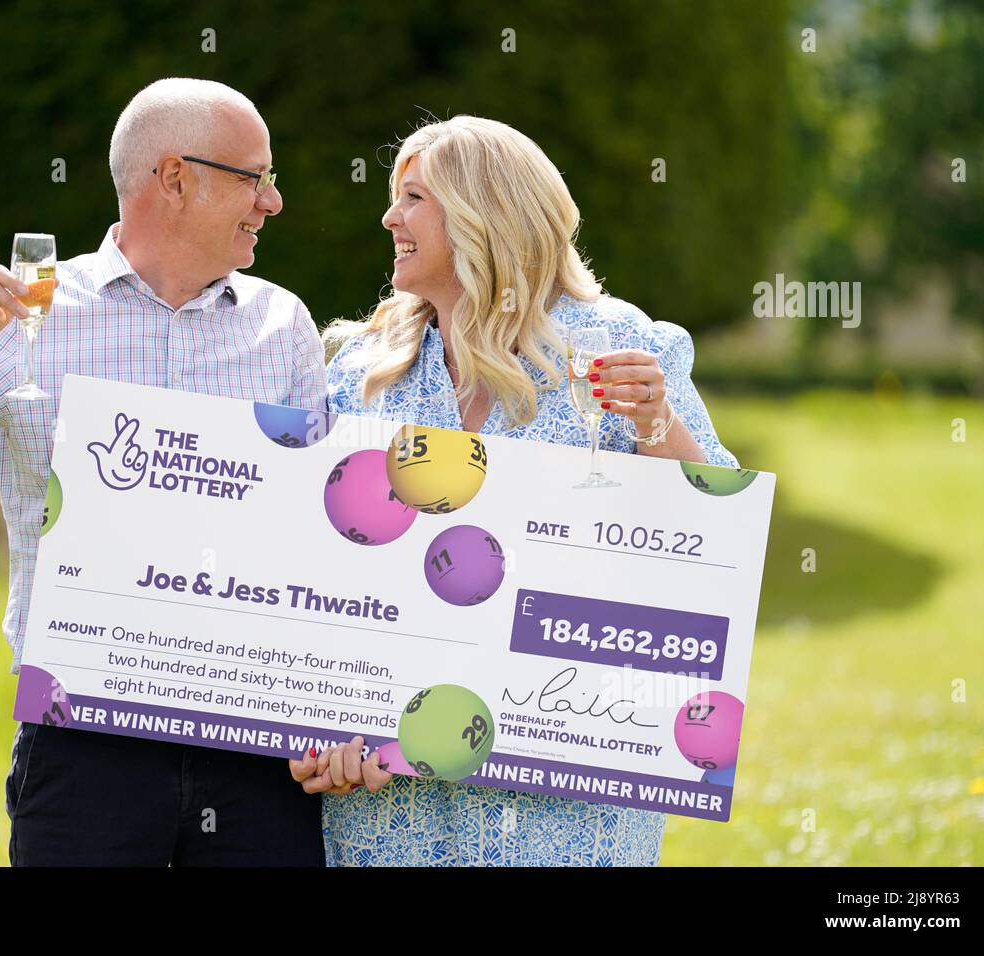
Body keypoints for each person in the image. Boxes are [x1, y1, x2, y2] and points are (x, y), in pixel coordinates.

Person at [0, 78, 327, 866]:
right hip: (85, 741)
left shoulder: (282, 325)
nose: (271, 202)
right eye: (255, 177)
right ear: (173, 178)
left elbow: (320, 530)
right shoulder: (23, 314)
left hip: (253, 741)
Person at [288, 115, 739, 866]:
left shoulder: (616, 348)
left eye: (413, 198)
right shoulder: (361, 368)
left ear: (483, 214)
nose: (387, 215)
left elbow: (718, 535)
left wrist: (659, 424)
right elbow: (313, 572)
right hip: (393, 810)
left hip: (559, 803)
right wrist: (317, 732)